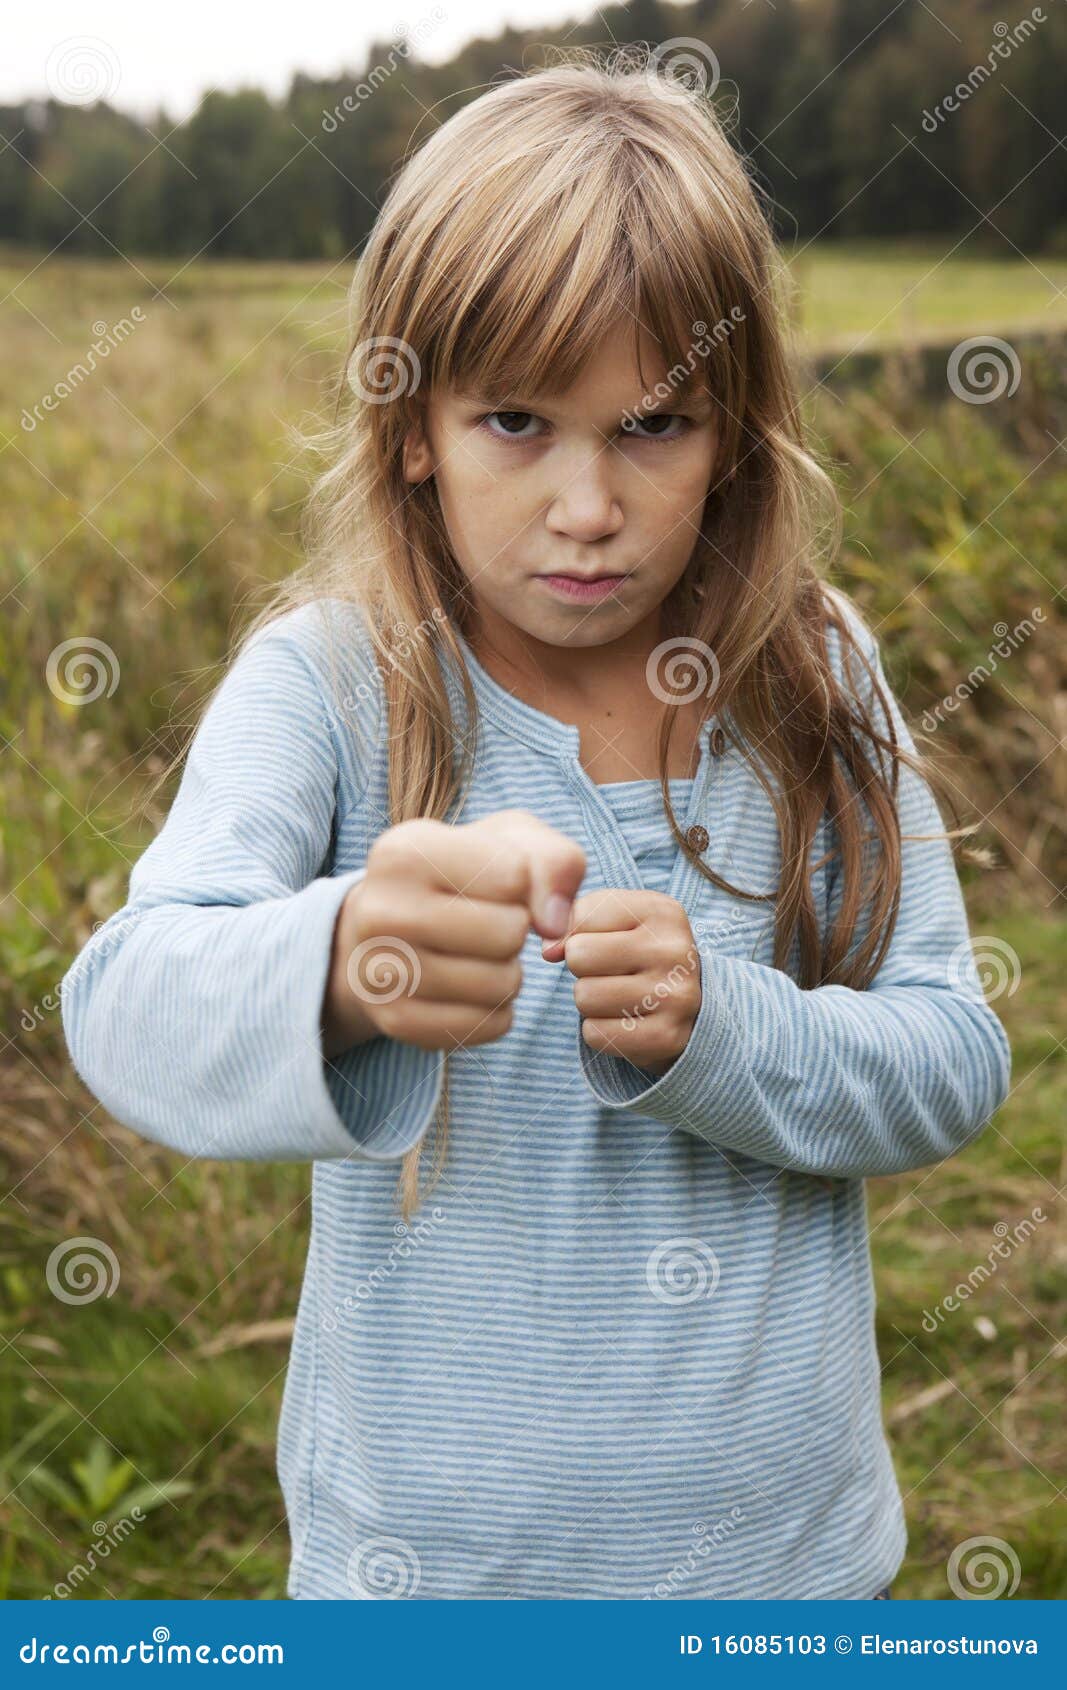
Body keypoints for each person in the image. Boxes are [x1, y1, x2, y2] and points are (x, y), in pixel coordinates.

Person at [60, 49, 1011, 1600]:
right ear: (412, 421)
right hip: (428, 1588)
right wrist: (343, 954)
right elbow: (126, 1005)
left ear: (738, 431)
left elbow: (952, 1057)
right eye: (516, 420)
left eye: (654, 426)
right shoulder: (336, 685)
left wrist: (726, 1028)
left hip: (785, 1579)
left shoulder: (811, 673)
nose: (588, 503)